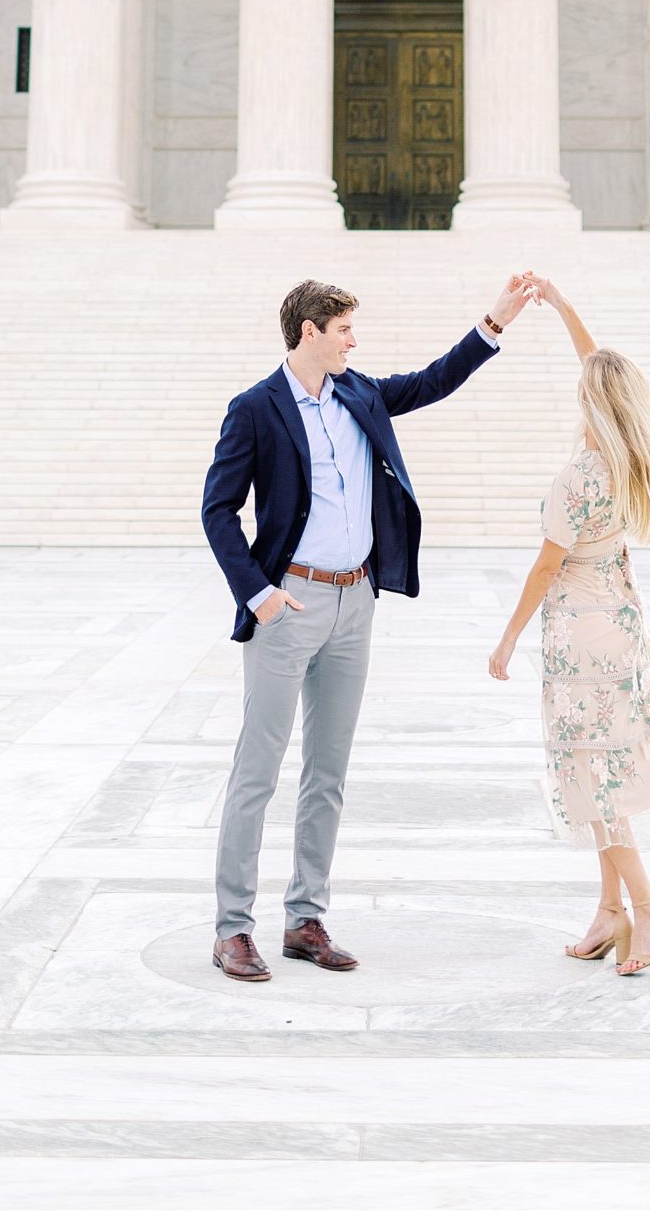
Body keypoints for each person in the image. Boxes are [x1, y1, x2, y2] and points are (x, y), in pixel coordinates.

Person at [202, 269, 535, 981]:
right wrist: (257, 593)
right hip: (288, 604)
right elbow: (217, 509)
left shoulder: (358, 392)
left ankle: (305, 919)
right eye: (344, 328)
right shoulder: (255, 408)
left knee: (328, 772)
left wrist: (495, 322)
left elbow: (434, 380)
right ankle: (233, 928)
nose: (355, 339)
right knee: (257, 773)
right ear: (309, 332)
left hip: (356, 602)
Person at [487, 277, 650, 976]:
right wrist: (566, 310)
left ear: (590, 400)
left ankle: (649, 906)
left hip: (580, 632)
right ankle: (611, 910)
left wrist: (507, 637)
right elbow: (598, 369)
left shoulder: (580, 473)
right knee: (600, 768)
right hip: (618, 620)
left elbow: (545, 567)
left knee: (594, 775)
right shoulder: (627, 452)